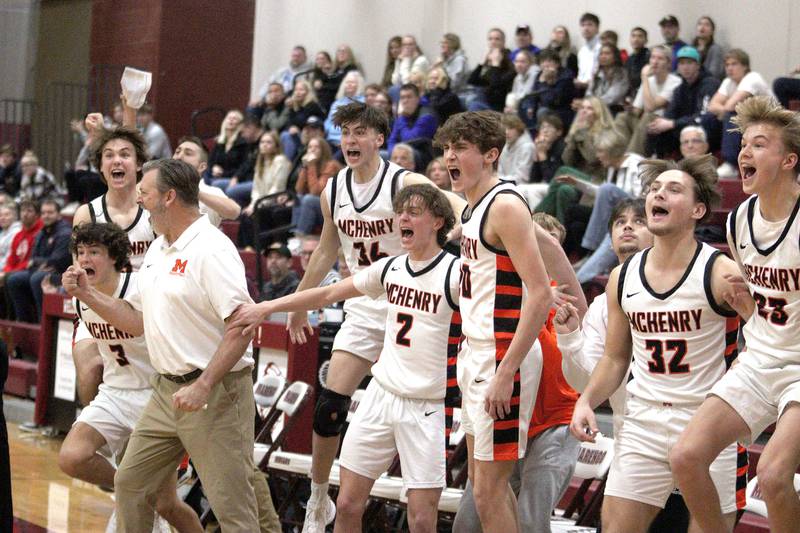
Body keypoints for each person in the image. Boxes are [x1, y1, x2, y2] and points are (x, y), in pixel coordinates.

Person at [284, 101, 467, 533]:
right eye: (345, 131)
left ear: (379, 139)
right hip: (366, 306)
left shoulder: (404, 181)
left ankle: (418, 493)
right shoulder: (333, 190)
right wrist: (301, 301)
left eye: (360, 132)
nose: (351, 139)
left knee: (417, 399)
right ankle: (316, 498)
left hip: (414, 303)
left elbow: (460, 206)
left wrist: (464, 230)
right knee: (330, 402)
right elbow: (327, 248)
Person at [234, 184, 460, 532]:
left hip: (425, 406)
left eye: (413, 212)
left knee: (421, 518)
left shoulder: (455, 273)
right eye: (400, 212)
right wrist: (267, 306)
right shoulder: (390, 269)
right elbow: (327, 292)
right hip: (381, 396)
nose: (403, 218)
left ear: (438, 222)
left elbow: (497, 303)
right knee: (348, 504)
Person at [63, 158, 260, 531]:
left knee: (231, 507)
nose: (138, 202)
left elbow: (242, 326)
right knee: (131, 483)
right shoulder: (158, 249)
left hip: (215, 391)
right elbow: (138, 322)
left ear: (169, 197)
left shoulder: (211, 249)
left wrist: (203, 385)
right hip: (165, 390)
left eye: (145, 194)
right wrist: (89, 296)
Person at [570, 154, 750, 533]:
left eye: (673, 189)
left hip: (706, 420)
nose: (658, 195)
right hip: (643, 419)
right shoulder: (623, 276)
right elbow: (616, 358)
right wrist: (587, 400)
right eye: (654, 189)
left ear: (698, 209)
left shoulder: (721, 272)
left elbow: (768, 339)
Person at [435, 110, 586, 533]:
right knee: (484, 488)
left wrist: (506, 372)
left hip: (502, 357)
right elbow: (547, 244)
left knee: (488, 491)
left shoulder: (503, 204)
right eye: (446, 148)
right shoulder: (473, 206)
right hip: (476, 351)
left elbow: (537, 294)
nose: (450, 156)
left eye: (460, 148)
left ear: (491, 155)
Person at [670, 96, 800, 533]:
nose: (745, 152)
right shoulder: (740, 219)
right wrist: (749, 311)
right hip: (761, 358)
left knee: (775, 475)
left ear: (788, 160)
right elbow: (765, 306)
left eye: (759, 145)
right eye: (743, 144)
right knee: (686, 458)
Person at [58, 222, 202, 532]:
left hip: (156, 396)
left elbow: (135, 325)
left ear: (114, 257)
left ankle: (136, 488)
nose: (84, 259)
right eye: (80, 252)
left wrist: (87, 295)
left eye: (94, 252)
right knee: (72, 456)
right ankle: (133, 485)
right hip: (115, 392)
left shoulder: (141, 288)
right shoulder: (80, 297)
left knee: (168, 504)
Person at [454, 213, 581, 533]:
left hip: (554, 421)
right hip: (503, 416)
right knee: (467, 523)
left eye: (547, 243)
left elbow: (560, 361)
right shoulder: (497, 287)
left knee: (530, 523)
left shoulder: (561, 297)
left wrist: (538, 312)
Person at [558, 130, 644, 283]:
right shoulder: (612, 168)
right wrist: (577, 183)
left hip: (639, 211)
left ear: (612, 151)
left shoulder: (636, 164)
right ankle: (583, 270)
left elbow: (640, 199)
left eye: (600, 151)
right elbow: (605, 194)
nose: (597, 155)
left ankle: (590, 250)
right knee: (576, 215)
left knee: (606, 190)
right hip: (621, 214)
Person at [708, 49, 772, 178]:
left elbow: (731, 106)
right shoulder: (728, 82)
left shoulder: (752, 78)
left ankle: (730, 165)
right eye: (727, 65)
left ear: (745, 66)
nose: (730, 68)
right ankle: (705, 160)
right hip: (749, 122)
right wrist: (723, 110)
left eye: (734, 64)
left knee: (732, 116)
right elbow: (711, 105)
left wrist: (723, 110)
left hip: (768, 121)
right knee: (708, 119)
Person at [646, 46, 720, 157]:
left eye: (689, 63)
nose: (685, 67)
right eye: (682, 63)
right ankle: (654, 163)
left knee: (695, 128)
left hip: (706, 128)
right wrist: (660, 123)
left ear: (698, 65)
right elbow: (670, 114)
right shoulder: (680, 89)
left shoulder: (710, 84)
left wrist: (673, 123)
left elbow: (704, 116)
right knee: (655, 128)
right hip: (685, 126)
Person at [6, 199, 70, 323]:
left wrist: (38, 263)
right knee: (14, 279)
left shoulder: (65, 233)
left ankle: (44, 322)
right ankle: (25, 322)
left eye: (50, 213)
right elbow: (32, 259)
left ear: (58, 215)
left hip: (62, 274)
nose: (46, 216)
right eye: (44, 213)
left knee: (37, 279)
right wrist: (40, 263)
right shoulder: (42, 232)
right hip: (42, 271)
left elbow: (57, 261)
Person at [615, 45, 682, 155]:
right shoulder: (648, 80)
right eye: (653, 57)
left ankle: (630, 159)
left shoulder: (675, 82)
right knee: (622, 117)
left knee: (648, 117)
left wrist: (644, 79)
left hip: (663, 125)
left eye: (660, 58)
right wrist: (628, 108)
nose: (655, 62)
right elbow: (637, 110)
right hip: (646, 122)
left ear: (669, 63)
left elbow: (651, 108)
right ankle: (618, 156)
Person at [173, 136, 242, 227]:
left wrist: (194, 192)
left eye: (188, 153)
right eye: (177, 152)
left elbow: (234, 212)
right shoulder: (158, 188)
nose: (179, 156)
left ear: (202, 167)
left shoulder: (211, 191)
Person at [294, 137, 342, 236]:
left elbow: (316, 192)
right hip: (320, 205)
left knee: (309, 199)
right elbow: (299, 189)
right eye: (310, 147)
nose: (312, 149)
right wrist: (305, 167)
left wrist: (311, 166)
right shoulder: (312, 165)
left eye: (316, 147)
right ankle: (294, 233)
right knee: (298, 198)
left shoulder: (331, 165)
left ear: (323, 151)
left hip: (334, 208)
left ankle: (300, 235)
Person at [518, 49, 575, 132]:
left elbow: (553, 100)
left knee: (542, 111)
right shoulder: (539, 75)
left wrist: (546, 81)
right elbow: (533, 94)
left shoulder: (566, 76)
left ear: (557, 63)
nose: (546, 64)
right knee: (524, 106)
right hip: (544, 107)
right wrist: (531, 106)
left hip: (561, 110)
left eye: (549, 61)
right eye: (542, 61)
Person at [466, 28, 515, 112]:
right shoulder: (490, 64)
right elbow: (472, 81)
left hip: (499, 105)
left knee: (474, 103)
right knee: (470, 99)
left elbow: (496, 87)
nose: (493, 42)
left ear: (503, 42)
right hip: (485, 101)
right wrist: (481, 64)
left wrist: (496, 64)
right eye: (490, 39)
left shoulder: (510, 63)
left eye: (497, 39)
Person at [281, 79, 325, 161]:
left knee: (286, 136)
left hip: (311, 134)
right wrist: (291, 126)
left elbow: (302, 121)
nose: (298, 92)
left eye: (301, 90)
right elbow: (288, 122)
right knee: (285, 134)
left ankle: (288, 162)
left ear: (308, 92)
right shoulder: (295, 106)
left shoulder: (312, 105)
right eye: (296, 90)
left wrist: (294, 127)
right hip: (298, 134)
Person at [387, 83, 438, 154]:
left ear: (417, 98)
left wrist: (402, 118)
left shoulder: (427, 116)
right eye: (402, 97)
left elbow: (410, 140)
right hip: (404, 152)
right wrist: (393, 152)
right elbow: (392, 140)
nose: (405, 101)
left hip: (425, 155)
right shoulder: (403, 115)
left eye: (409, 97)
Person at [324, 70, 366, 150]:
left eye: (353, 82)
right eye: (347, 82)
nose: (349, 85)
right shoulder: (337, 103)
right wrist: (329, 130)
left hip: (349, 142)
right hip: (330, 140)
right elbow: (328, 122)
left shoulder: (363, 102)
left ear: (359, 85)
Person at [206, 109, 248, 186]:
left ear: (240, 124)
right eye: (229, 118)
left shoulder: (243, 143)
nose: (231, 120)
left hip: (232, 178)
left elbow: (243, 167)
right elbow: (210, 160)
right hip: (216, 175)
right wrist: (213, 168)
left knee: (214, 183)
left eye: (235, 118)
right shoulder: (220, 141)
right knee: (202, 177)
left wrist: (223, 173)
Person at [498, 113, 535, 184]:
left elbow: (522, 178)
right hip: (505, 184)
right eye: (504, 128)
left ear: (519, 129)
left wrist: (499, 181)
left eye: (510, 128)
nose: (506, 132)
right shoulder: (504, 145)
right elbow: (499, 171)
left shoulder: (527, 147)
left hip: (523, 187)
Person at [434, 33, 470, 97]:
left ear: (453, 44)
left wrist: (440, 67)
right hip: (448, 94)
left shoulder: (459, 60)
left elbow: (453, 84)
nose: (442, 45)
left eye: (445, 43)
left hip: (458, 96)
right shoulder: (446, 60)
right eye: (441, 43)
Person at [576, 13, 601, 93]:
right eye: (583, 25)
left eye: (590, 25)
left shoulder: (601, 48)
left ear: (597, 28)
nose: (586, 28)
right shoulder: (582, 51)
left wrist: (587, 83)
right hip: (582, 89)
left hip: (598, 89)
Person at [692, 16, 724, 80]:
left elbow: (714, 73)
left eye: (706, 25)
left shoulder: (716, 49)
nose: (702, 27)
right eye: (700, 24)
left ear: (712, 31)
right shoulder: (690, 49)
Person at [626, 27, 651, 97]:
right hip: (631, 95)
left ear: (646, 40)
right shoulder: (629, 59)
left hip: (645, 93)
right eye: (633, 36)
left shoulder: (649, 57)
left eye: (640, 36)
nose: (636, 39)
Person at [0, 203, 21, 272]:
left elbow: (10, 257)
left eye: (6, 215)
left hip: (8, 268)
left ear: (15, 217)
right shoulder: (3, 233)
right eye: (0, 215)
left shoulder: (17, 232)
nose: (3, 218)